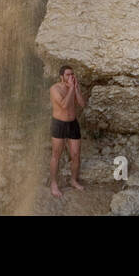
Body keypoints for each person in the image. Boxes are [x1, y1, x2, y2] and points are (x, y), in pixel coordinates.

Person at [48, 65, 86, 197]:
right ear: (61, 76)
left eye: (72, 74)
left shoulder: (73, 86)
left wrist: (75, 89)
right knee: (56, 155)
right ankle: (54, 184)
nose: (71, 77)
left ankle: (74, 180)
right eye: (68, 75)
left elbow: (82, 104)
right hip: (59, 124)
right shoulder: (54, 88)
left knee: (75, 155)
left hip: (73, 124)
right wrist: (70, 89)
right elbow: (63, 105)